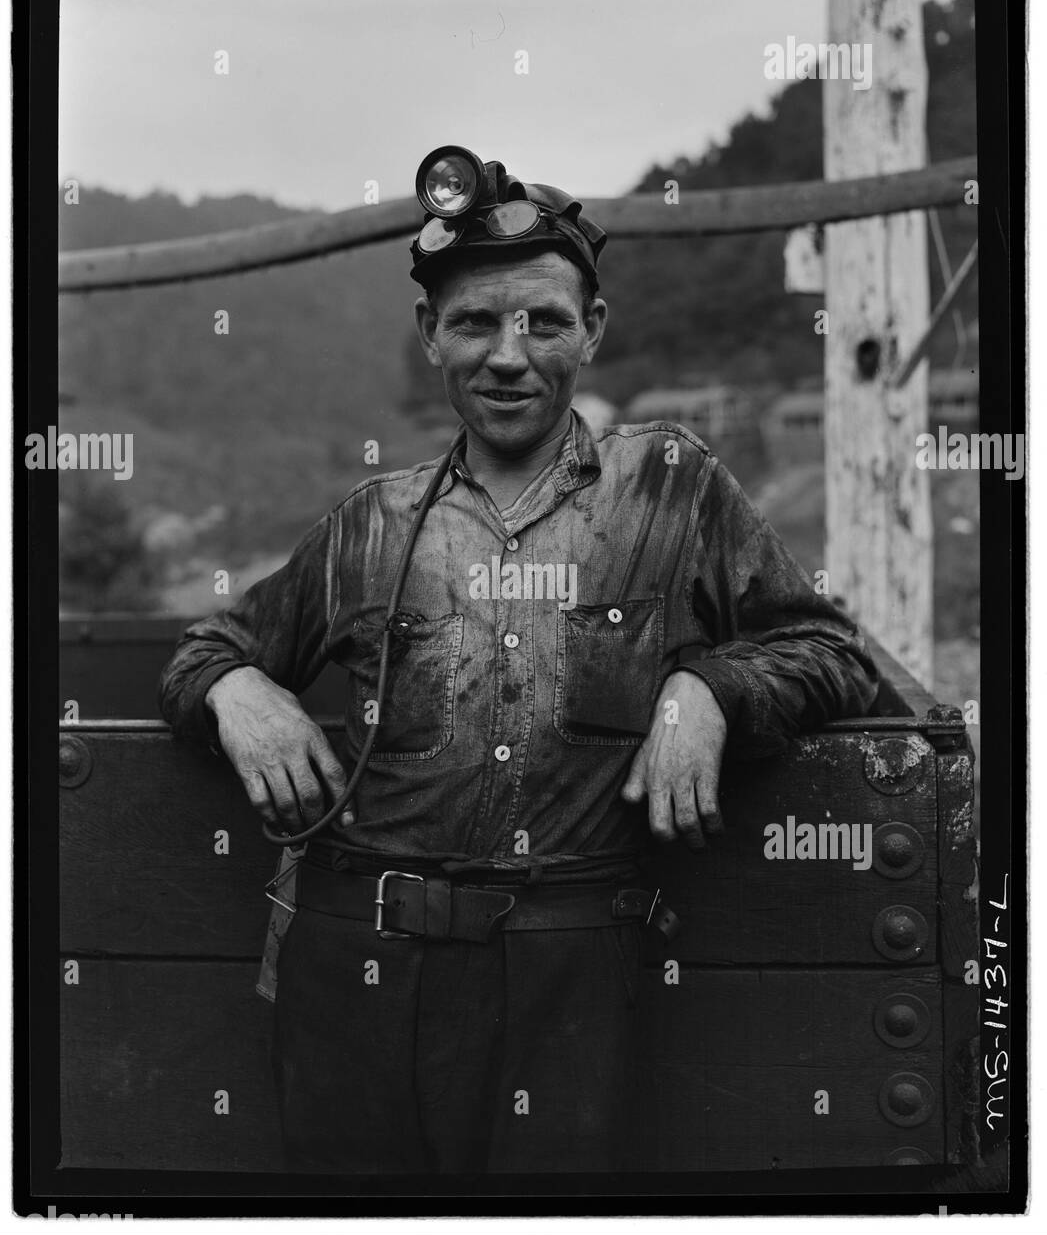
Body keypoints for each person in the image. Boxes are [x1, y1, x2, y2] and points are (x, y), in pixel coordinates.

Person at [158, 147, 879, 1175]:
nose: (509, 354)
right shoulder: (372, 521)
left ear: (592, 328)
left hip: (569, 966)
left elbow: (829, 651)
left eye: (542, 320)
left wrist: (712, 686)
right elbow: (206, 650)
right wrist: (236, 687)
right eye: (475, 322)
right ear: (429, 336)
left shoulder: (673, 490)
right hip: (352, 963)